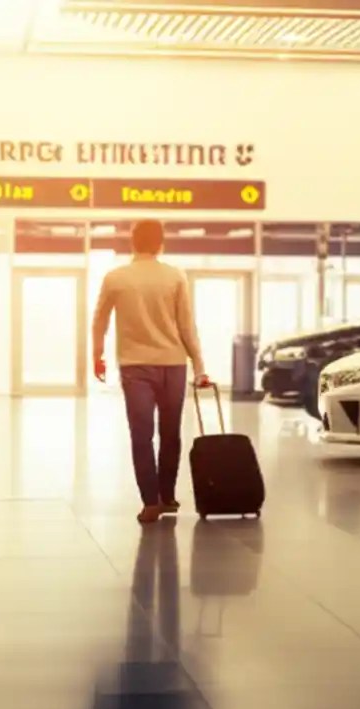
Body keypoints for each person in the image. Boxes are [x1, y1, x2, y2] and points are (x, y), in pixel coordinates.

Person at [92, 220, 210, 524]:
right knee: (170, 434)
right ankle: (167, 494)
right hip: (173, 364)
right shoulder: (175, 277)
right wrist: (199, 367)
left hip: (135, 366)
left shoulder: (115, 278)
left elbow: (100, 320)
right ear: (161, 244)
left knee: (141, 435)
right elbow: (187, 326)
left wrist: (97, 354)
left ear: (132, 243)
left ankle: (151, 501)